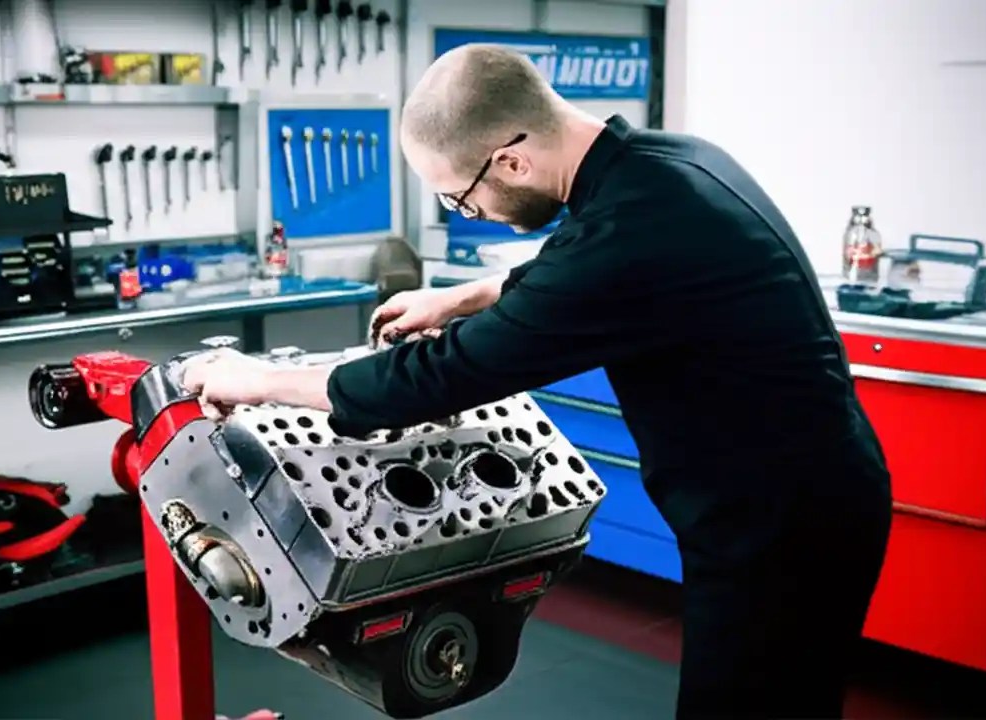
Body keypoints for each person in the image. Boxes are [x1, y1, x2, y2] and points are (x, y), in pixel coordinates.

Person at [183, 44, 892, 719]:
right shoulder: (664, 164)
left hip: (778, 524)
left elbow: (446, 373)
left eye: (462, 198)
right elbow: (587, 260)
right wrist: (459, 297)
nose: (471, 214)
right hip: (807, 493)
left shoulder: (631, 226)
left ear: (512, 161)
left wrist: (261, 379)